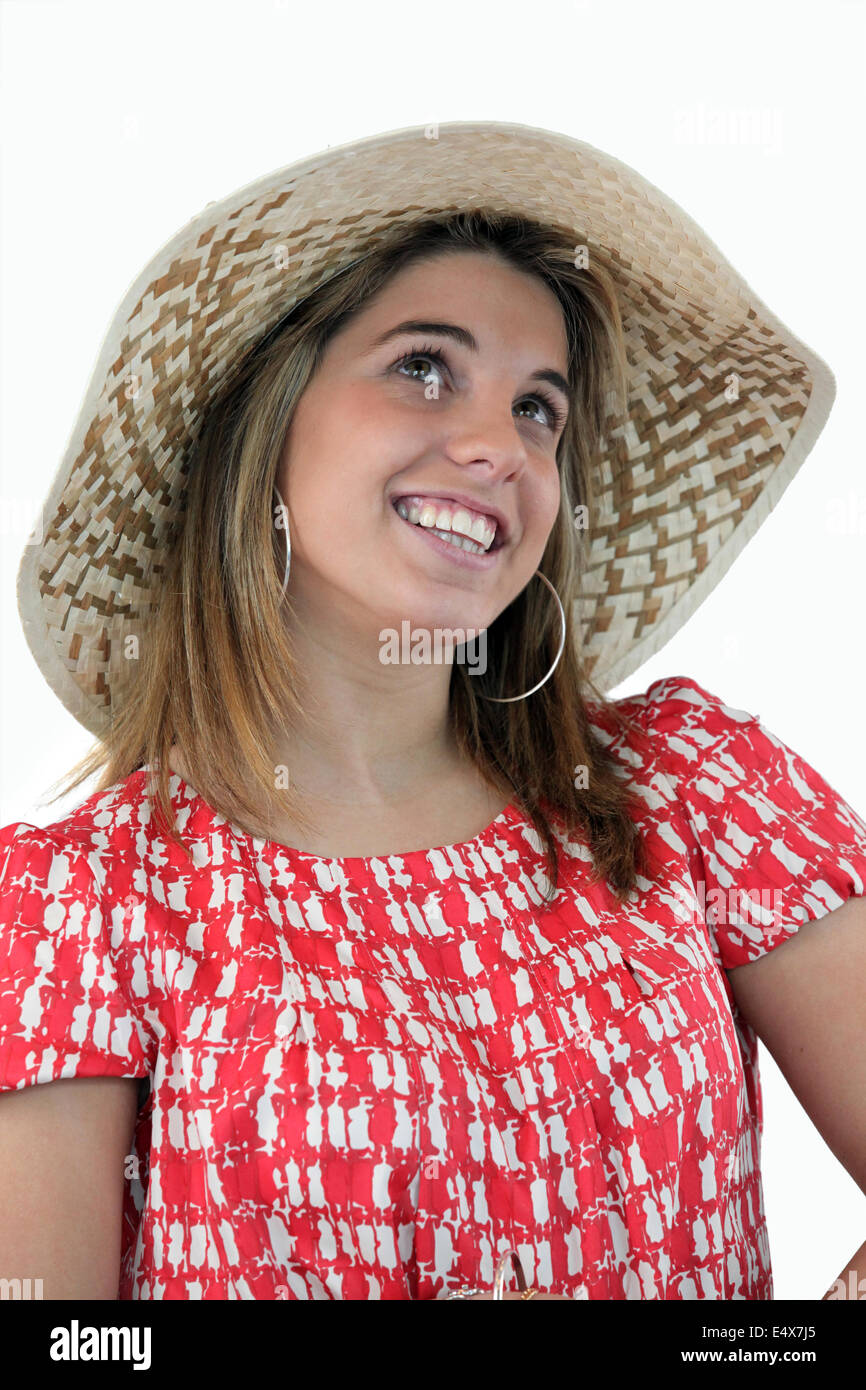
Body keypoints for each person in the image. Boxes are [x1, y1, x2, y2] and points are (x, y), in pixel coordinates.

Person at [1, 122, 864, 1301]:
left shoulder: (689, 791)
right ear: (268, 425)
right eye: (422, 366)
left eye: (538, 410)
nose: (494, 447)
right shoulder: (72, 910)